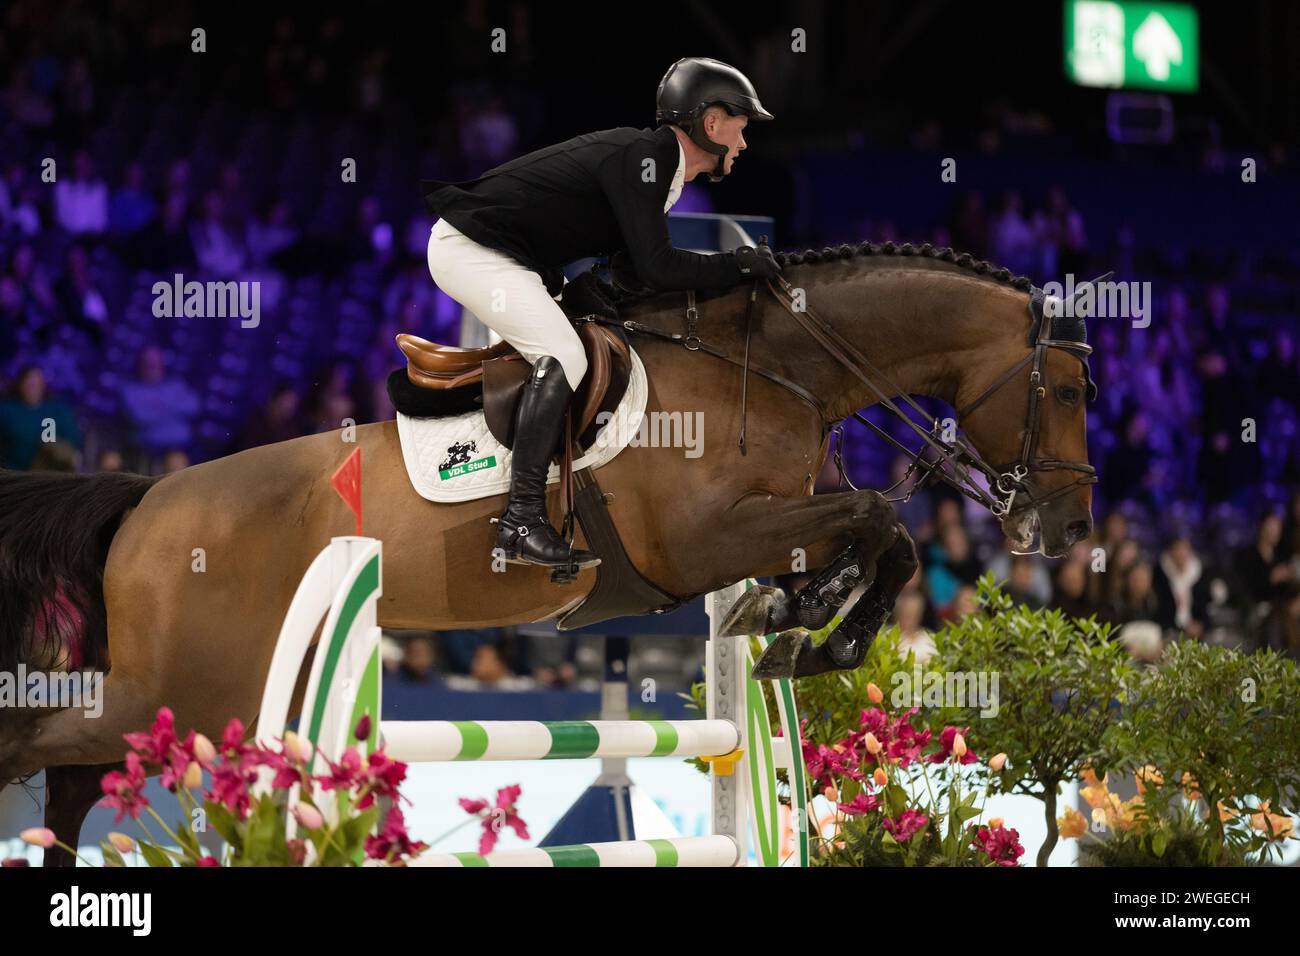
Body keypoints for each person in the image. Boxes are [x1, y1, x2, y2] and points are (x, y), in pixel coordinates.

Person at [421, 57, 781, 573]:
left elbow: (630, 270)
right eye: (741, 129)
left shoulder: (659, 168)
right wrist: (739, 265)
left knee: (592, 341)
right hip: (471, 250)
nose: (744, 144)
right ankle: (521, 518)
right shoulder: (647, 159)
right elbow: (657, 267)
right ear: (711, 124)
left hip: (514, 257)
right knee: (564, 355)